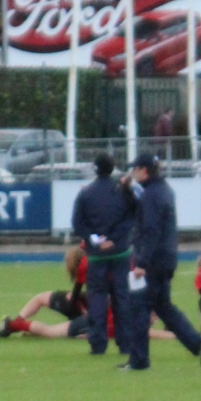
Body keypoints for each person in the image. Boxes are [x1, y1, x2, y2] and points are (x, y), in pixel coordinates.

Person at [123, 154, 201, 369]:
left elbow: (151, 230)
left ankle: (139, 361)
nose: (132, 172)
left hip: (153, 260)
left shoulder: (151, 195)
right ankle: (198, 344)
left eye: (135, 168)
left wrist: (141, 262)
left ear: (144, 170)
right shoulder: (164, 190)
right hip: (167, 258)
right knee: (164, 307)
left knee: (139, 307)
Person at [69, 154, 138, 363]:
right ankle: (125, 343)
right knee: (121, 297)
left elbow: (77, 222)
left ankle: (98, 344)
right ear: (113, 167)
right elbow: (133, 216)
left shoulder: (86, 193)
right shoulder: (123, 191)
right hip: (120, 252)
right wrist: (114, 239)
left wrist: (96, 239)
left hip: (97, 255)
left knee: (97, 298)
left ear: (94, 168)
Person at [0, 243, 88, 340]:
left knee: (40, 298)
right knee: (51, 331)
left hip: (82, 302)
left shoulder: (88, 262)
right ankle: (14, 325)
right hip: (91, 309)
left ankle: (16, 323)